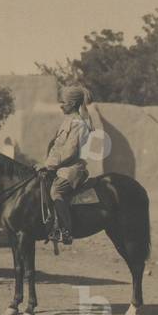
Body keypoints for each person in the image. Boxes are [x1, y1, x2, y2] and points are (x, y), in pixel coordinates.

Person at [35, 85, 93, 245]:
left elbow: (70, 152)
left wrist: (48, 165)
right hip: (60, 167)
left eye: (64, 102)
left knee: (56, 191)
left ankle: (66, 230)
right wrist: (45, 163)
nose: (61, 106)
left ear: (73, 104)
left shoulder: (78, 124)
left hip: (72, 169)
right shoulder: (68, 121)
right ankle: (50, 223)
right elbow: (56, 147)